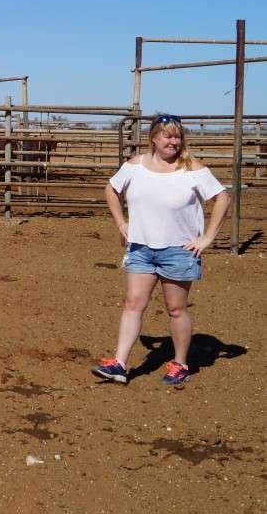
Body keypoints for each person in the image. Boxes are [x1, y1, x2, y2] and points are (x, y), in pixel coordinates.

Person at [91, 113, 230, 386]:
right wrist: (121, 223)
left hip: (178, 250)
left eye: (177, 136)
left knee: (176, 308)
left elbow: (222, 197)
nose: (173, 141)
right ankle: (119, 363)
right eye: (168, 135)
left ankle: (180, 364)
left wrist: (206, 238)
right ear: (153, 138)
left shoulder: (192, 168)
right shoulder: (135, 165)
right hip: (141, 247)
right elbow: (111, 189)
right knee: (133, 304)